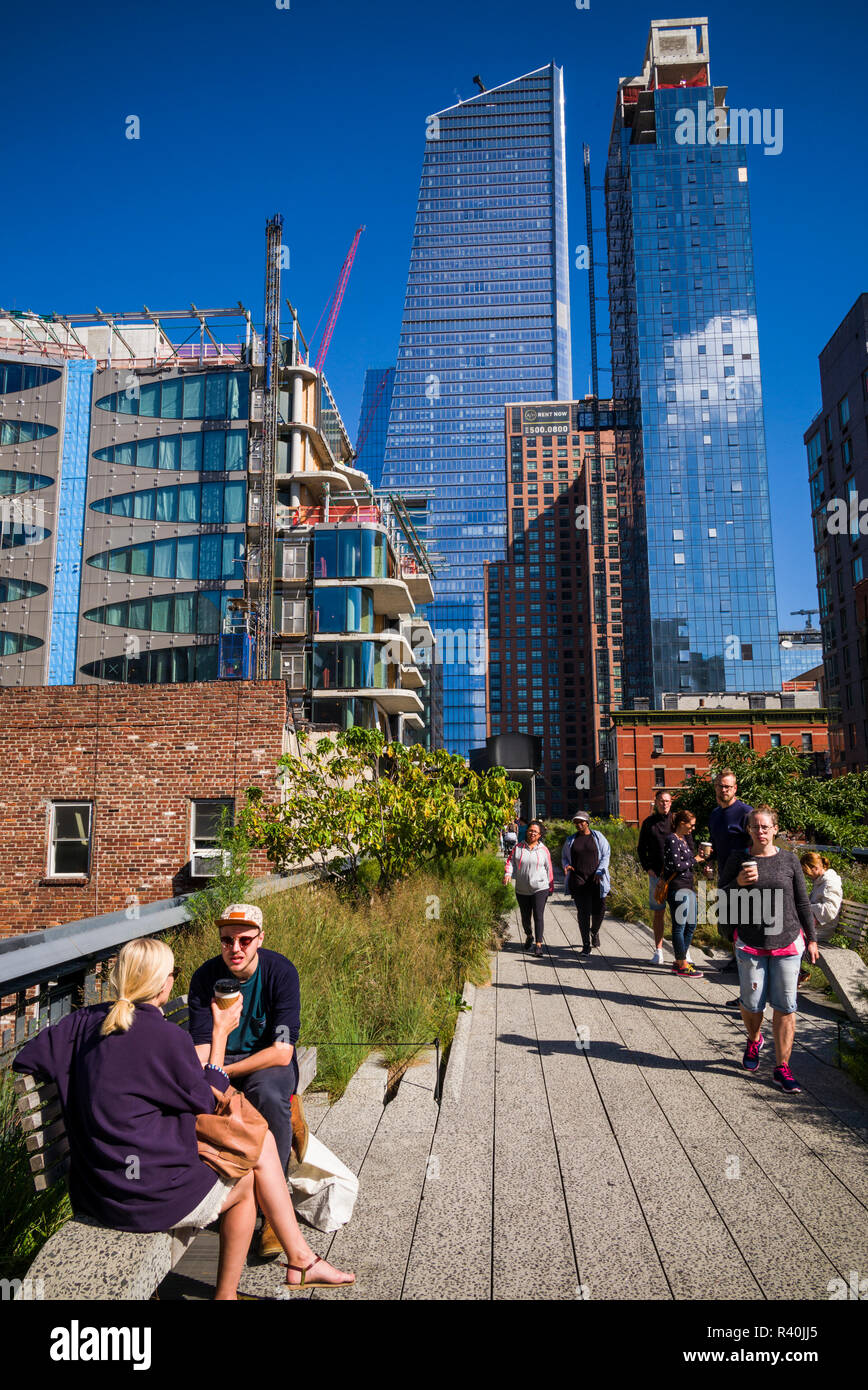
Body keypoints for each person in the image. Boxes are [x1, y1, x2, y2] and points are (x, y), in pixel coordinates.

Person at [11, 937, 353, 1298]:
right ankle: (239, 1289)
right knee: (247, 1175)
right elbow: (207, 1101)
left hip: (94, 1191)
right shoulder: (165, 1037)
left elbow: (27, 1059)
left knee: (254, 1145)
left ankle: (299, 1261)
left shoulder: (80, 1022)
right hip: (147, 1196)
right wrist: (220, 1032)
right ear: (165, 984)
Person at [188, 903, 300, 1258]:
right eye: (227, 940)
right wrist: (217, 1074)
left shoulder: (280, 972)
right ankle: (216, 1193)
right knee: (202, 1100)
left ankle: (271, 1211)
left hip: (266, 1060)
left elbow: (282, 1052)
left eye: (245, 940)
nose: (235, 948)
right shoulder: (205, 978)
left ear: (260, 939)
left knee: (266, 1092)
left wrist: (228, 1073)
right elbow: (201, 1053)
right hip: (221, 1057)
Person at [720, 806, 819, 1093]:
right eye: (755, 827)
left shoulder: (789, 860)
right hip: (751, 942)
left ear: (775, 829)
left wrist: (811, 939)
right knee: (752, 1004)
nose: (760, 831)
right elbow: (720, 896)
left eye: (765, 827)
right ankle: (753, 1039)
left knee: (786, 1007)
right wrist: (738, 883)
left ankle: (782, 1068)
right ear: (748, 830)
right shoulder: (739, 859)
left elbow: (802, 902)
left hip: (787, 941)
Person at [661, 808, 707, 978]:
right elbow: (676, 866)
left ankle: (680, 960)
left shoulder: (684, 839)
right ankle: (682, 963)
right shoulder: (672, 840)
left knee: (691, 924)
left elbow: (685, 863)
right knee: (679, 926)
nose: (692, 829)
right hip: (677, 887)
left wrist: (700, 860)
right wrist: (695, 859)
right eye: (691, 825)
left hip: (689, 886)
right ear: (682, 823)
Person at [562, 812, 611, 956]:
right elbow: (564, 857)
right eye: (576, 822)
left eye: (581, 822)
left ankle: (594, 931)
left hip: (596, 879)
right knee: (583, 913)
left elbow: (606, 854)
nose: (578, 824)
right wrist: (566, 865)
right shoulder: (571, 840)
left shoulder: (597, 837)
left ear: (587, 822)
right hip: (578, 879)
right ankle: (586, 945)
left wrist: (600, 871)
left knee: (600, 909)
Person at [504, 819, 554, 957]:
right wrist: (508, 874)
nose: (532, 833)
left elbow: (549, 868)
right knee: (525, 917)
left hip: (540, 888)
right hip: (522, 889)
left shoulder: (544, 850)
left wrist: (551, 886)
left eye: (535, 832)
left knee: (538, 915)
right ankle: (529, 935)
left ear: (540, 835)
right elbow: (510, 862)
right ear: (527, 832)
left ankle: (538, 944)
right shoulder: (518, 847)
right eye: (530, 830)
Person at [637, 789, 673, 966]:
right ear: (656, 802)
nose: (664, 803)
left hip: (676, 876)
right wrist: (647, 868)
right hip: (656, 876)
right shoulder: (649, 823)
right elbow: (641, 849)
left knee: (679, 914)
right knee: (658, 913)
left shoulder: (676, 821)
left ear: (671, 803)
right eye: (661, 800)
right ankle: (658, 950)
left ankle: (683, 951)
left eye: (667, 801)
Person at [798, 852, 843, 986]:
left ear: (815, 868)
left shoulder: (829, 882)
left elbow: (830, 909)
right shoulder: (820, 881)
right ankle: (796, 973)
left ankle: (795, 974)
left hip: (823, 928)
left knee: (790, 936)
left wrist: (808, 908)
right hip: (816, 925)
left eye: (807, 873)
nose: (807, 876)